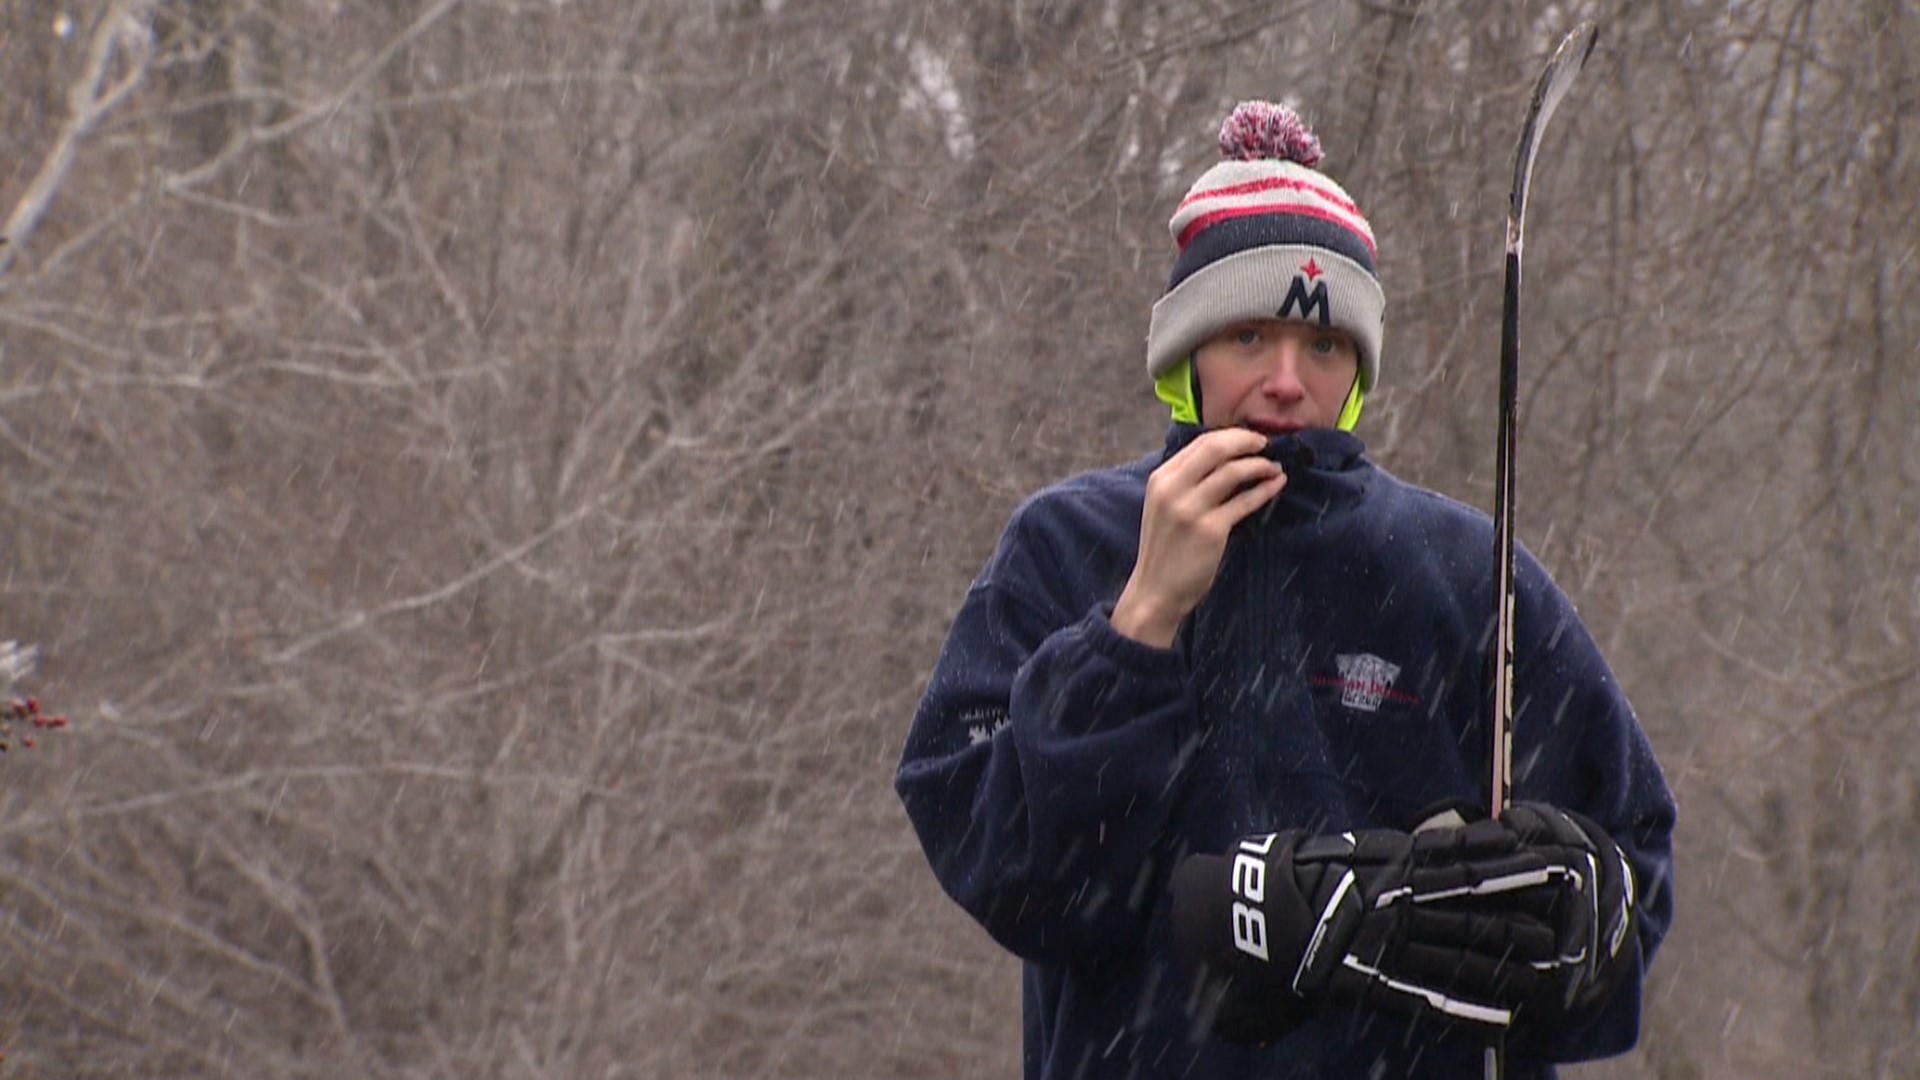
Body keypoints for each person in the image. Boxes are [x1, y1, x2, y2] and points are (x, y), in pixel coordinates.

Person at [894, 101, 1675, 1079]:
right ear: (1185, 353)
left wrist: (1569, 922)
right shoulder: (1065, 545)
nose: (1285, 383)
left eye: (1324, 347)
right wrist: (1138, 623)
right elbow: (1015, 879)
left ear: (1357, 370)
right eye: (1249, 337)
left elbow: (1634, 871)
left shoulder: (1465, 571)